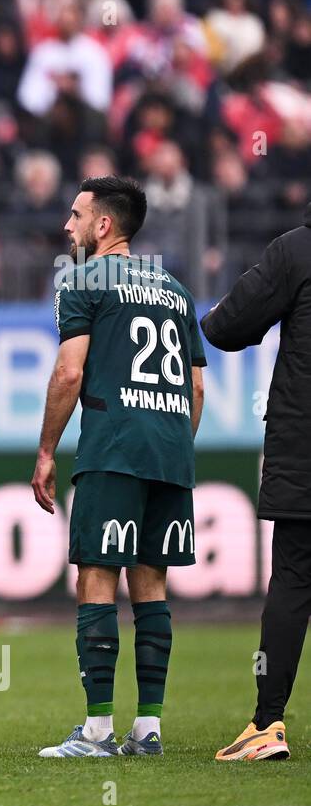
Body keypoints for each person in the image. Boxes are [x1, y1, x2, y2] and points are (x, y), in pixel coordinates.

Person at [30, 176, 206, 758]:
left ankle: (99, 731)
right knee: (151, 584)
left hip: (114, 449)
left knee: (97, 580)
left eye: (76, 215)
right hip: (171, 450)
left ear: (103, 224)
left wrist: (48, 451)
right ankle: (148, 729)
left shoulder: (81, 281)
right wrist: (173, 442)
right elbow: (197, 386)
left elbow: (69, 373)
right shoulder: (177, 290)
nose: (68, 227)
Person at [204, 201, 311, 762]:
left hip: (304, 443)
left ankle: (268, 724)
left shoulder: (295, 249)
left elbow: (227, 326)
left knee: (294, 578)